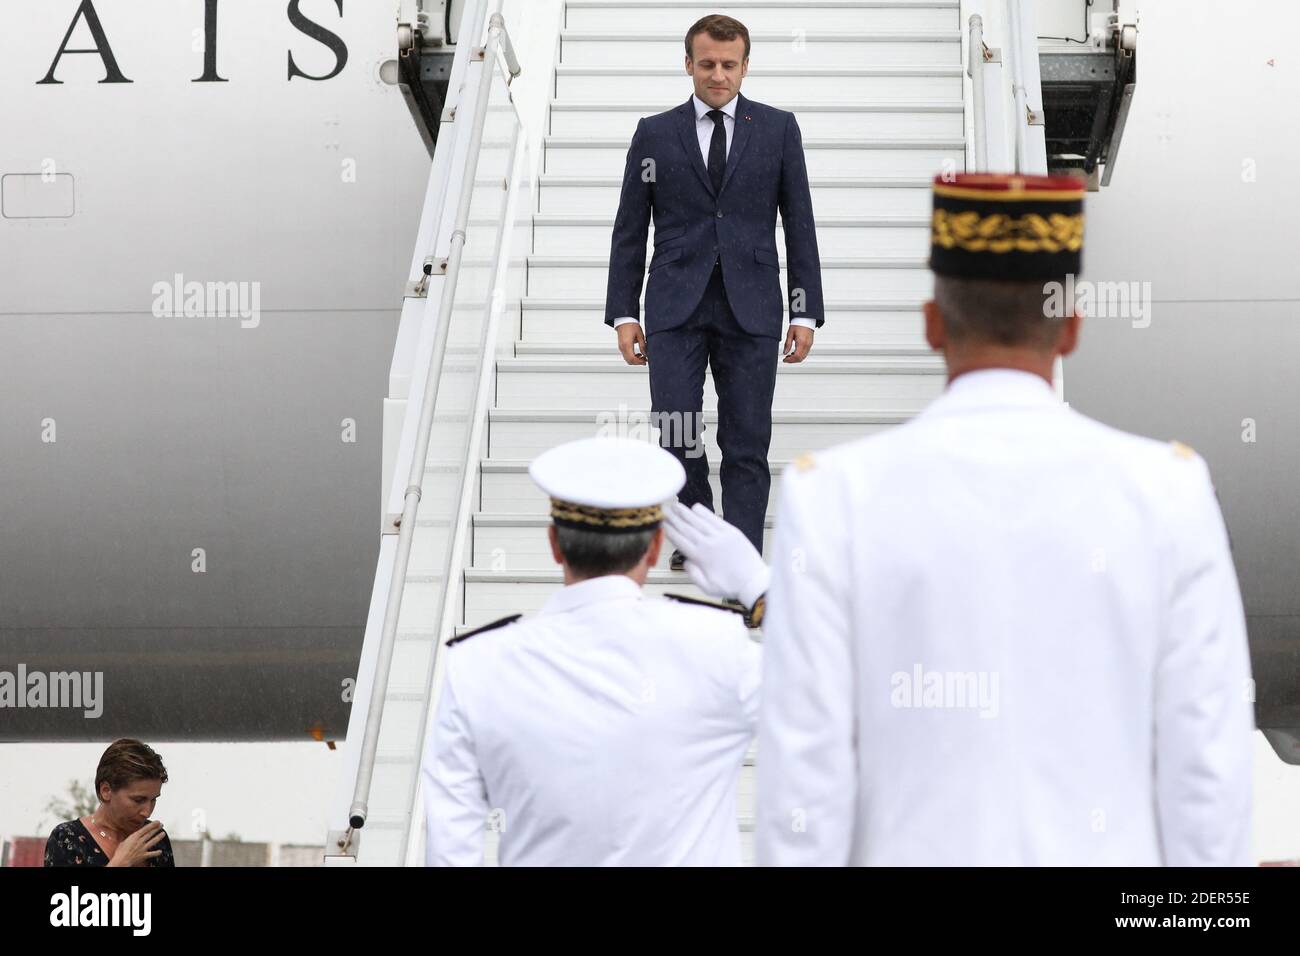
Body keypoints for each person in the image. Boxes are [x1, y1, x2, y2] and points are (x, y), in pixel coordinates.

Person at [670, 173, 1256, 866]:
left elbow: (807, 779)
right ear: (1071, 327)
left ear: (932, 324)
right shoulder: (1170, 492)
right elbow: (1206, 772)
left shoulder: (833, 496)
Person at [421, 437, 761, 865]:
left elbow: (450, 849)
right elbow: (841, 698)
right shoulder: (718, 646)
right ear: (655, 548)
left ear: (554, 544)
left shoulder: (476, 666)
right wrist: (759, 589)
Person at [604, 14, 824, 568]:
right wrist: (623, 312)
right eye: (708, 64)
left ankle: (743, 549)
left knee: (747, 439)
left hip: (752, 305)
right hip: (676, 303)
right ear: (689, 65)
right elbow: (630, 227)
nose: (718, 75)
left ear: (746, 66)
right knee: (676, 431)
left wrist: (806, 312)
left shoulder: (778, 130)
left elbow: (799, 223)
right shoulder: (654, 133)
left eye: (730, 65)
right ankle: (696, 534)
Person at [44, 738, 175, 867]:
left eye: (153, 800)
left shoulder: (155, 840)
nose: (147, 812)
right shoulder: (67, 839)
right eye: (138, 800)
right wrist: (121, 862)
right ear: (106, 791)